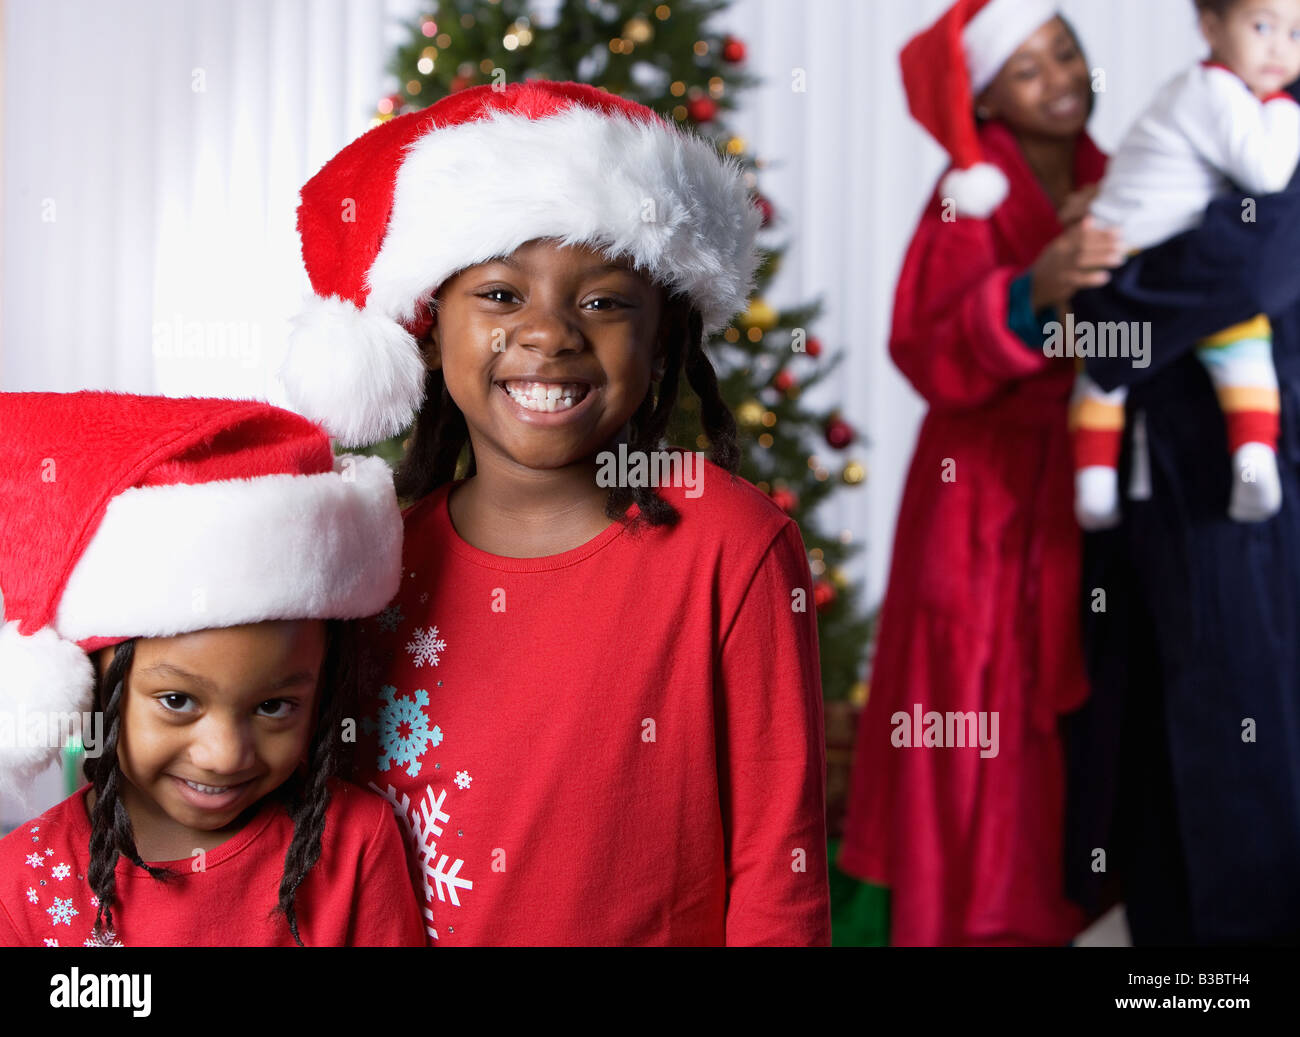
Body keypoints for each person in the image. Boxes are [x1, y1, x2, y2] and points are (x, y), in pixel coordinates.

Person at [279, 80, 831, 945]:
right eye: (500, 295)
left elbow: (779, 863)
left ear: (663, 338)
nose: (550, 333)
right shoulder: (377, 564)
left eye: (604, 301)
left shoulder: (732, 545)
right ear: (429, 328)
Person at [836, 0, 1126, 945]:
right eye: (1031, 68)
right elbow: (920, 344)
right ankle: (954, 922)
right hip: (979, 495)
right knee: (969, 707)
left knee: (1066, 712)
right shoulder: (971, 190)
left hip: (1086, 485)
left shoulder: (1111, 177)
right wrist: (1031, 290)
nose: (1063, 77)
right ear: (989, 96)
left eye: (1067, 52)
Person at [0, 392, 425, 947]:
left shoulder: (354, 844)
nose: (225, 754)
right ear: (94, 683)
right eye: (177, 701)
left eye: (273, 706)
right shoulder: (24, 879)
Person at [1067, 73, 1300, 946]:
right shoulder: (1228, 95)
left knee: (1233, 734)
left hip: (1235, 486)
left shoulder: (1281, 117)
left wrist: (1102, 308)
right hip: (1165, 473)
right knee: (1167, 732)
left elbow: (1247, 260)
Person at [1073, 0, 1300, 529]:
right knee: (1238, 351)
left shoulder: (1216, 92)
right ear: (1210, 27)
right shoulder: (1215, 90)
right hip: (1137, 255)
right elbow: (1266, 174)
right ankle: (1250, 460)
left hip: (1141, 256)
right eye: (1263, 26)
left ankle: (1097, 482)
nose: (1279, 47)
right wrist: (1285, 107)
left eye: (1295, 33)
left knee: (1107, 375)